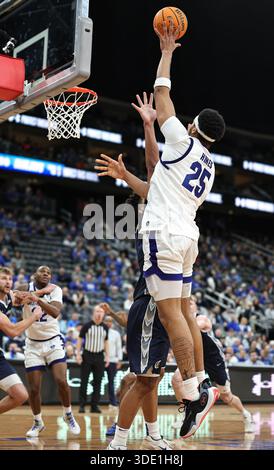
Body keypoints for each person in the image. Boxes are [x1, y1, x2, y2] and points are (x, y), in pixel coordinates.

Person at [96, 21, 225, 439]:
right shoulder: (209, 167)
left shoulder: (183, 142)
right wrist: (126, 175)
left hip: (164, 236)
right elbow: (155, 186)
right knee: (185, 310)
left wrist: (167, 50)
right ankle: (199, 381)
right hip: (187, 235)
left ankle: (193, 391)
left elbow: (163, 95)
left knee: (171, 315)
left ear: (193, 128)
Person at [96, 94, 179, 451]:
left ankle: (153, 433)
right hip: (149, 298)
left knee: (151, 377)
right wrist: (148, 124)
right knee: (143, 379)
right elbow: (152, 167)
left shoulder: (178, 207)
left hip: (165, 300)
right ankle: (118, 442)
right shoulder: (153, 211)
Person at [172, 297, 255, 433]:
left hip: (213, 359)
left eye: (190, 302)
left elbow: (195, 326)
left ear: (196, 307)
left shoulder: (202, 318)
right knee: (176, 380)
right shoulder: (181, 320)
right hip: (193, 357)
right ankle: (184, 415)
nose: (187, 304)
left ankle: (246, 415)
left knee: (226, 396)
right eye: (184, 303)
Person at [17, 265, 80, 437]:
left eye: (49, 272)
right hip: (32, 343)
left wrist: (35, 299)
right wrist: (32, 295)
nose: (46, 273)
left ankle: (68, 414)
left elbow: (55, 312)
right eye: (42, 271)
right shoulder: (25, 288)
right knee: (34, 388)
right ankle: (38, 422)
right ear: (34, 275)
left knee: (61, 381)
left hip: (53, 341)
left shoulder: (56, 290)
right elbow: (14, 299)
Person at [0, 267, 42, 415]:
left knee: (20, 395)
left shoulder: (9, 296)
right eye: (4, 278)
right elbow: (12, 331)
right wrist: (34, 317)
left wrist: (36, 294)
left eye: (10, 279)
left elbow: (20, 296)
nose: (8, 282)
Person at [76, 305, 109, 413]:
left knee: (98, 382)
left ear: (103, 314)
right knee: (84, 381)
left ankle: (94, 405)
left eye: (101, 312)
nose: (99, 313)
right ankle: (82, 405)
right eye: (97, 311)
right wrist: (78, 354)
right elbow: (80, 339)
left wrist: (107, 356)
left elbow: (106, 342)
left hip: (99, 356)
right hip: (87, 355)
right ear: (93, 313)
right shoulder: (87, 326)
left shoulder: (105, 327)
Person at [104, 316, 123, 408]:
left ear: (112, 323)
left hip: (112, 360)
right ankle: (94, 402)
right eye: (107, 321)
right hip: (101, 359)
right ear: (104, 321)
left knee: (111, 381)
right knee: (97, 381)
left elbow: (119, 347)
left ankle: (112, 402)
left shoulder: (116, 334)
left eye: (110, 321)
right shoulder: (100, 331)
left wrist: (119, 359)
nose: (108, 323)